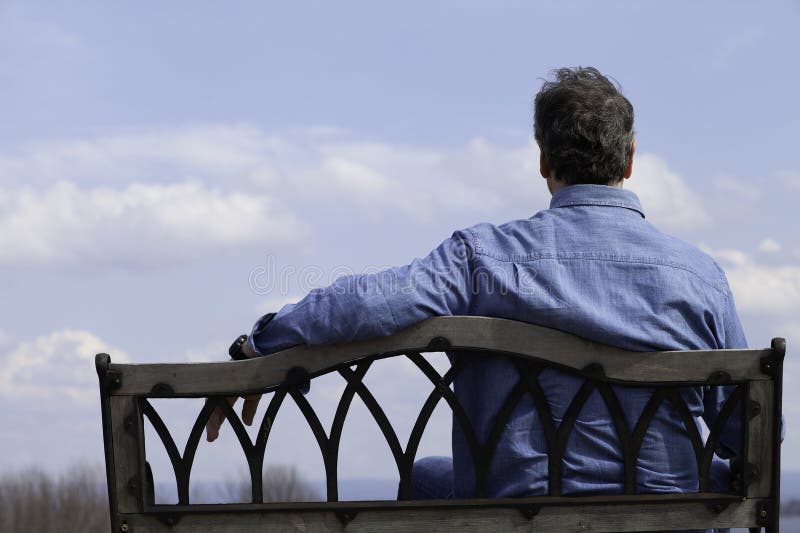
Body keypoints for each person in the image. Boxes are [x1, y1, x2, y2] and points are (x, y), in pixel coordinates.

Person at [206, 67, 746, 531]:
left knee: (424, 478)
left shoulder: (483, 259)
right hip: (664, 520)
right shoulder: (700, 280)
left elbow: (370, 302)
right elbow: (749, 434)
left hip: (520, 517)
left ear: (543, 162)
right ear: (629, 159)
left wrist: (261, 343)